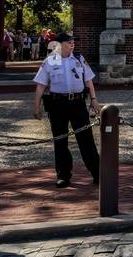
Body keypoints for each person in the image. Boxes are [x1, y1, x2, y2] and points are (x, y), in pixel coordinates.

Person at [31, 32, 100, 189]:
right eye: (69, 42)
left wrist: (94, 100)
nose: (72, 44)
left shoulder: (79, 59)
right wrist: (36, 105)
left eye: (73, 42)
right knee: (60, 141)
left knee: (86, 140)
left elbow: (88, 81)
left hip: (77, 103)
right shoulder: (50, 61)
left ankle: (98, 173)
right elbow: (41, 84)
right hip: (58, 104)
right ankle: (63, 175)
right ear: (60, 44)